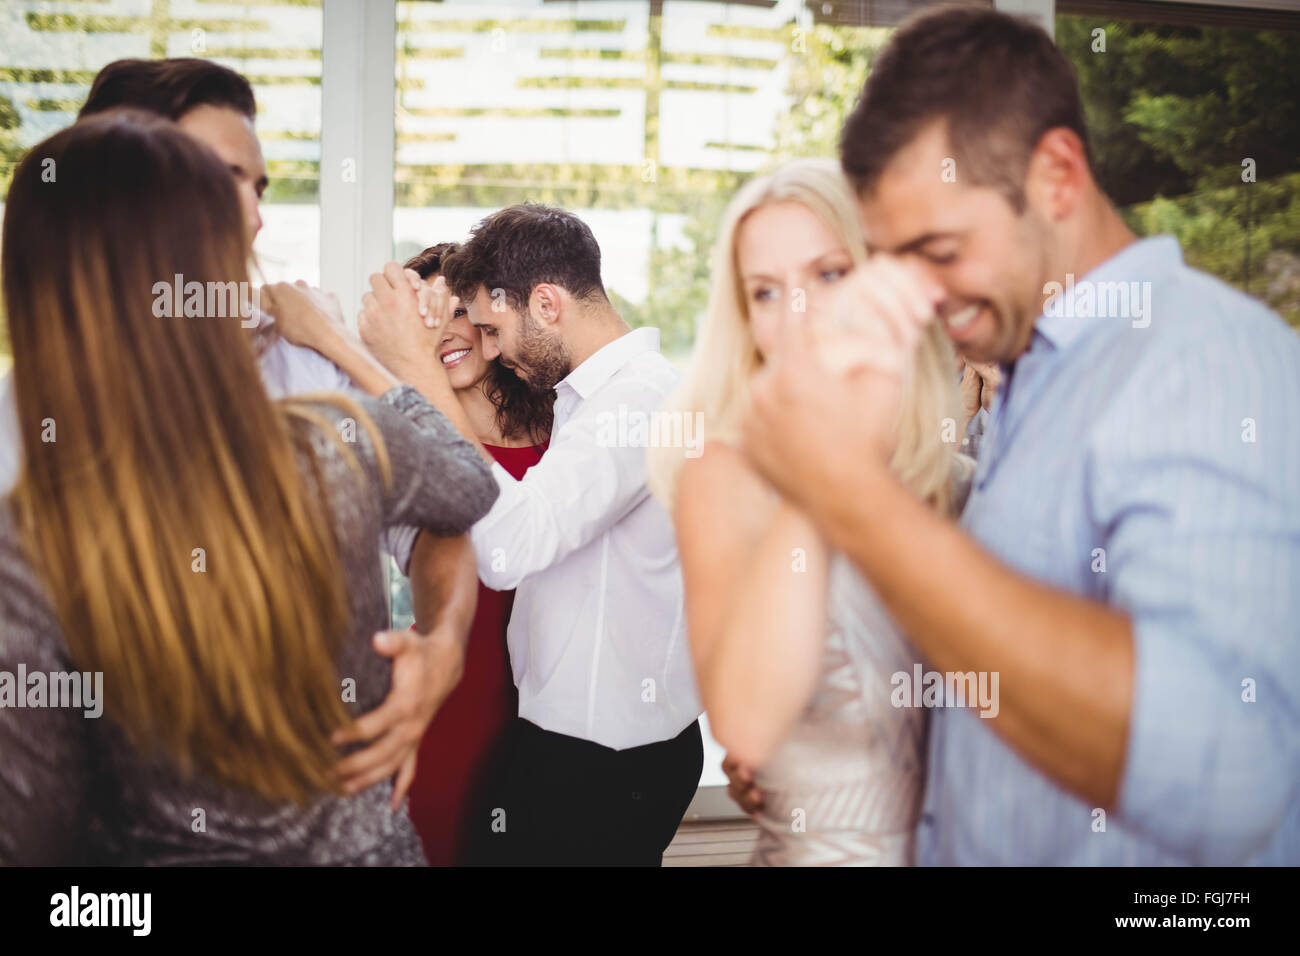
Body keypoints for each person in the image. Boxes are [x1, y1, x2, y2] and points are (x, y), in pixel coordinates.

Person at [742, 6, 1300, 865]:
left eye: (942, 249)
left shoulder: (1204, 360)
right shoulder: (1037, 374)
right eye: (897, 263)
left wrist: (850, 494)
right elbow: (1012, 659)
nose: (923, 298)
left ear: (1057, 177)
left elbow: (1229, 780)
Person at [0, 111, 499, 864]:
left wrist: (444, 646)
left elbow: (33, 843)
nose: (258, 217)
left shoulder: (28, 543)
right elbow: (466, 478)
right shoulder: (330, 439)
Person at [325, 205, 704, 865]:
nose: (490, 348)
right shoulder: (588, 402)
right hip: (575, 755)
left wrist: (412, 369)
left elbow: (505, 550)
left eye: (494, 328)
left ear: (548, 304)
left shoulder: (638, 404)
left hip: (602, 768)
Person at [648, 158, 970, 865]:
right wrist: (819, 471)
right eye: (766, 291)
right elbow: (747, 725)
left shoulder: (963, 485)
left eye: (828, 275)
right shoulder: (726, 479)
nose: (797, 314)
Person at [263, 242, 553, 865]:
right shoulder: (401, 436)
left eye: (457, 313)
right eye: (424, 315)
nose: (444, 333)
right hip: (451, 689)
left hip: (546, 708)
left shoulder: (560, 431)